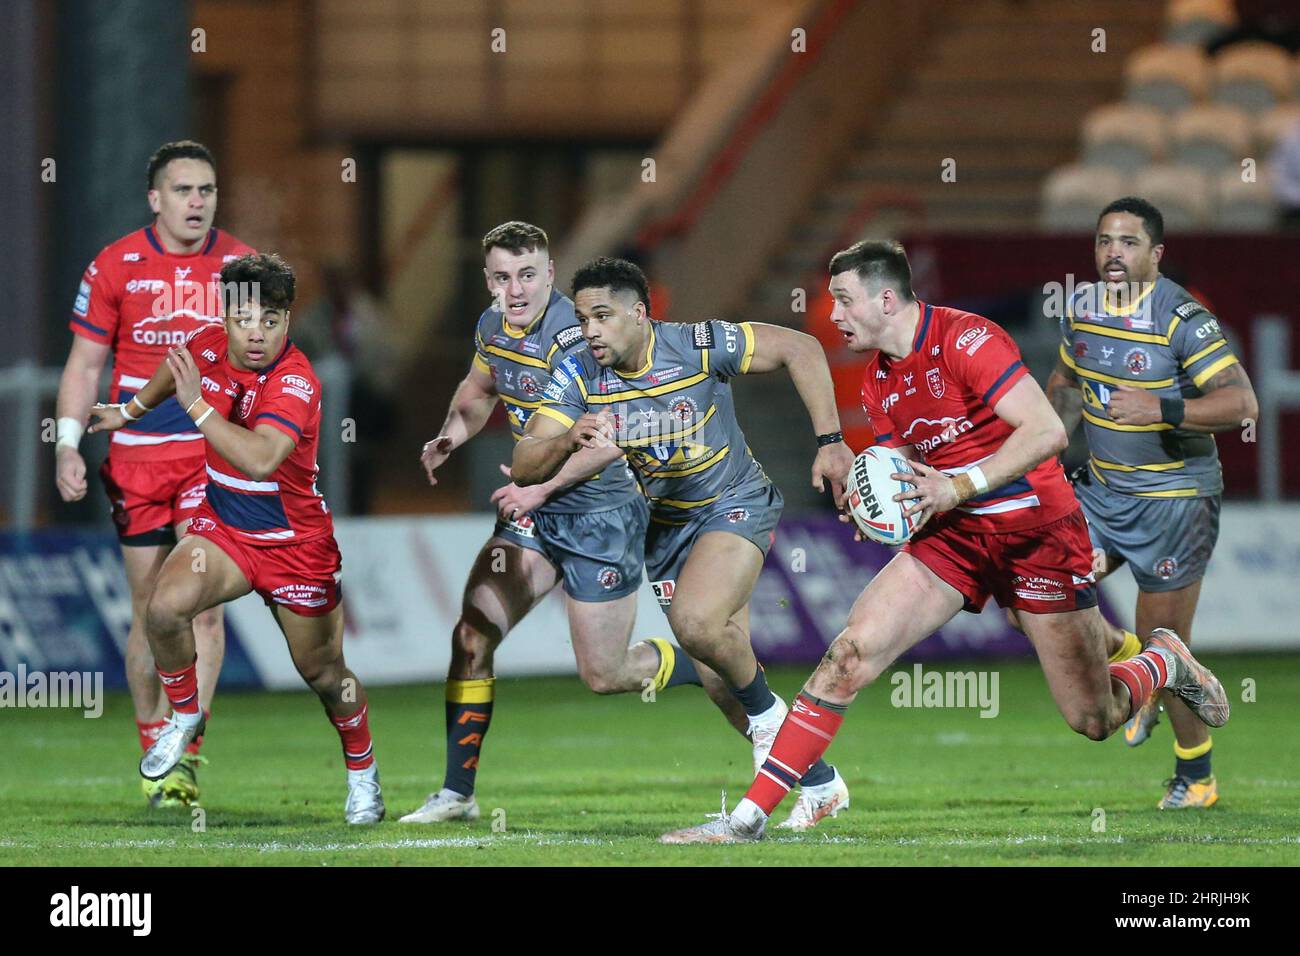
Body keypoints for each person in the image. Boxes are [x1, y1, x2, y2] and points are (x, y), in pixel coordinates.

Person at [658, 239, 1230, 843]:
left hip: (1034, 533)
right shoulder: (878, 382)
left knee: (1094, 717)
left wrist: (959, 485)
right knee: (848, 655)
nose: (836, 316)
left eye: (845, 302)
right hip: (952, 539)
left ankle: (1162, 659)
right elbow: (902, 466)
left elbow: (1044, 431)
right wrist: (874, 504)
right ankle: (748, 821)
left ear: (886, 298)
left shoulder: (966, 339)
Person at [401, 224, 756, 826]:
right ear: (488, 280)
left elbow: (614, 436)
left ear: (548, 273)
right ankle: (457, 792)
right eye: (502, 277)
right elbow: (479, 388)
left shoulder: (585, 335)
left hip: (603, 516)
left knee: (605, 674)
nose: (515, 290)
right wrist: (450, 434)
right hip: (535, 512)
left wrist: (544, 477)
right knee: (473, 633)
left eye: (527, 275)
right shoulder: (493, 326)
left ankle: (698, 668)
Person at [513, 256, 857, 831]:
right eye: (582, 317)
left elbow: (800, 347)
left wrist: (829, 441)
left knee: (699, 624)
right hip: (668, 531)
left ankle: (772, 719)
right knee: (723, 683)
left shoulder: (697, 344)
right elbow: (526, 464)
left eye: (603, 316)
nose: (590, 330)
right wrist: (569, 435)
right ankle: (821, 785)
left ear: (639, 314)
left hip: (735, 501)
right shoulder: (576, 374)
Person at [87, 253, 384, 825]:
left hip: (294, 544)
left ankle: (363, 774)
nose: (257, 332)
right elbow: (173, 372)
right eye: (245, 317)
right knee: (164, 608)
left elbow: (259, 458)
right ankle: (183, 717)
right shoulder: (203, 343)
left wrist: (196, 405)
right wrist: (126, 412)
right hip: (225, 532)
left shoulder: (296, 381)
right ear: (224, 315)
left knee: (324, 674)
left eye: (271, 320)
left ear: (288, 321)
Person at [54, 140, 254, 807]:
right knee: (149, 614)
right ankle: (155, 751)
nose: (198, 202)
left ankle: (186, 753)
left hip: (210, 456)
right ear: (155, 199)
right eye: (184, 190)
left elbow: (266, 365)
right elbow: (85, 364)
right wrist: (66, 443)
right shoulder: (115, 264)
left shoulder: (243, 268)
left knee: (199, 608)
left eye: (208, 190)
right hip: (135, 458)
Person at [1045, 198, 1257, 809]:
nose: (1114, 252)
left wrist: (1160, 407)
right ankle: (1141, 667)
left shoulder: (1183, 319)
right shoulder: (1082, 309)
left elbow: (1243, 406)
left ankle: (1197, 777)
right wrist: (1042, 445)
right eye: (1104, 240)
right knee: (1035, 590)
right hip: (1102, 493)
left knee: (1166, 636)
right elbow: (1065, 382)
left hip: (1174, 503)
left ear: (1155, 254)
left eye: (1129, 242)